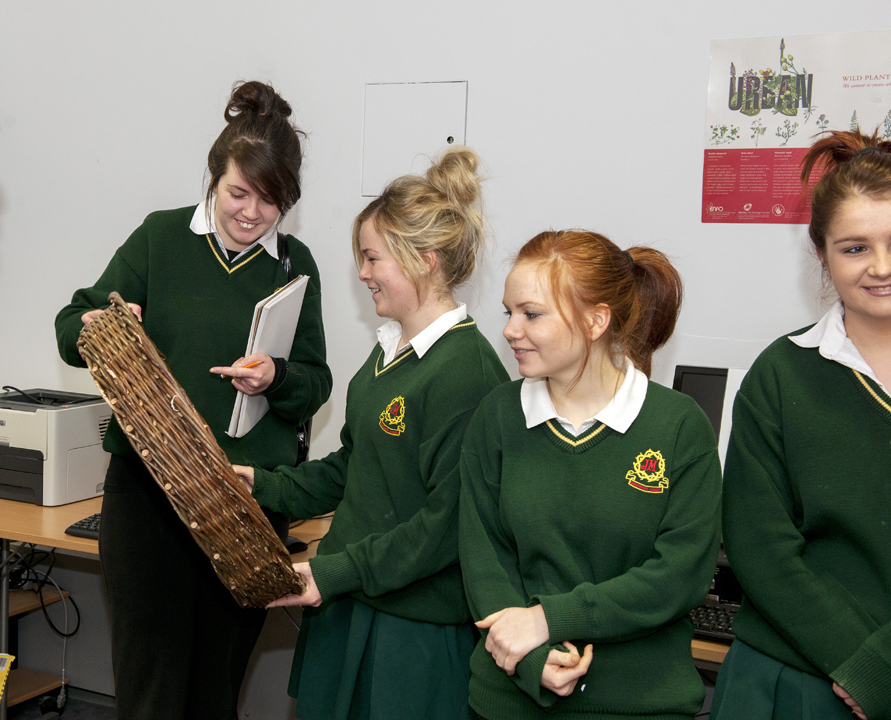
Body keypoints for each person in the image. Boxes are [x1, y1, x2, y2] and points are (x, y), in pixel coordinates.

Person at [55, 80, 331, 720]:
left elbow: (316, 384)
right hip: (149, 499)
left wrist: (276, 377)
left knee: (215, 693)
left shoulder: (297, 265)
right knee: (151, 694)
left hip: (247, 503)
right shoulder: (160, 238)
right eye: (239, 193)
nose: (251, 213)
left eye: (272, 201)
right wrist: (103, 326)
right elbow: (72, 328)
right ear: (212, 178)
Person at [229, 146, 507, 719]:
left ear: (424, 259)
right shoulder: (386, 357)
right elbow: (351, 468)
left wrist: (333, 571)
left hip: (415, 628)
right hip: (351, 601)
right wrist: (263, 484)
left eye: (372, 257)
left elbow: (444, 527)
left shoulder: (466, 371)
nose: (362, 273)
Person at [458, 230, 721, 719]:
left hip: (638, 703)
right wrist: (531, 658)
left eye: (531, 314)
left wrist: (550, 619)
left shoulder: (679, 425)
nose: (511, 330)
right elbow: (484, 559)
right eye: (508, 312)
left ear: (597, 320)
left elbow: (680, 575)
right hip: (508, 698)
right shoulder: (496, 416)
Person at [710, 130, 891, 720]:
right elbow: (760, 545)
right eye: (854, 248)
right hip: (791, 678)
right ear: (821, 255)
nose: (879, 268)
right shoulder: (781, 374)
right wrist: (860, 663)